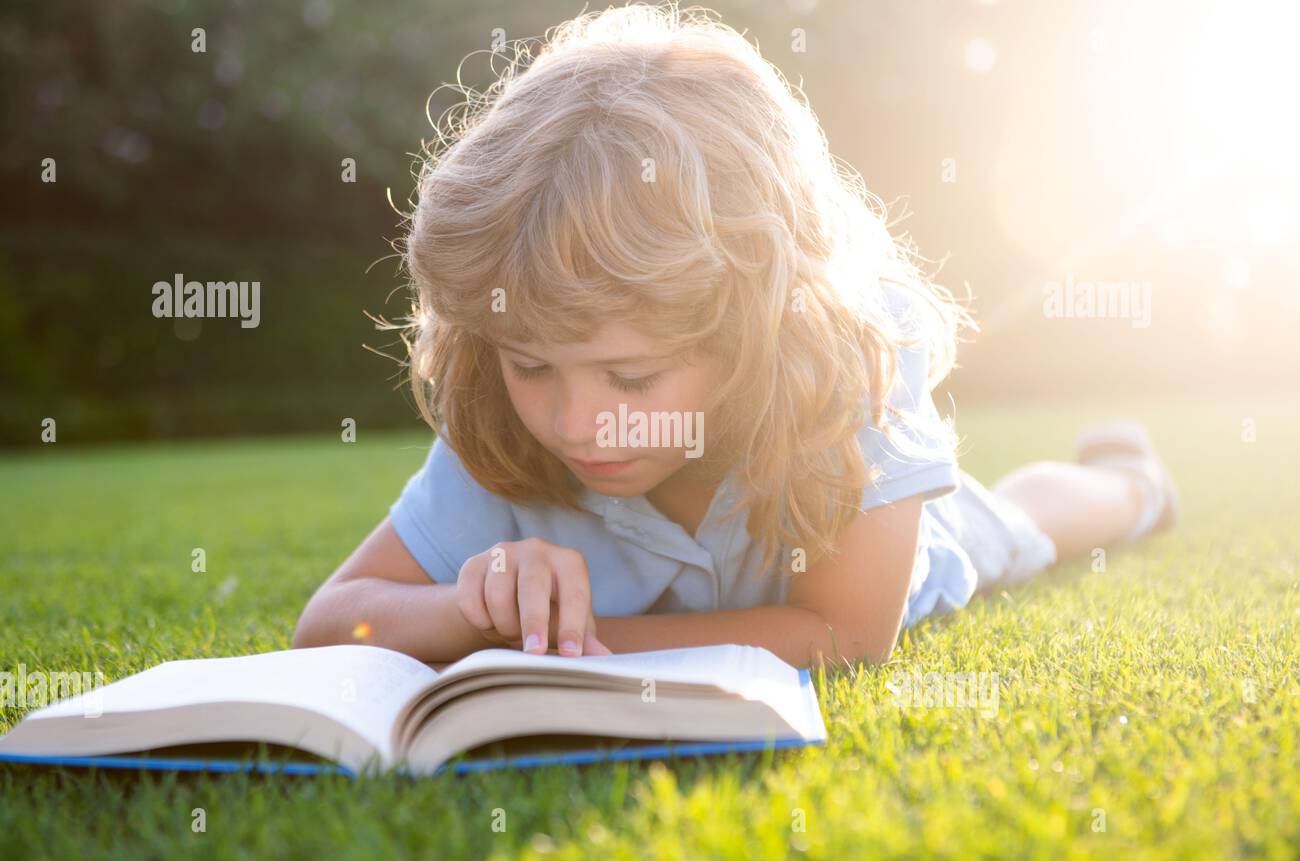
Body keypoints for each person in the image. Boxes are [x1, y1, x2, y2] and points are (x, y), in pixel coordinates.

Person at [291, 3, 1179, 670]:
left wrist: (559, 643)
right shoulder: (509, 412)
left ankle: (1130, 482)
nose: (573, 422)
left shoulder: (846, 373)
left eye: (631, 378)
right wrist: (469, 613)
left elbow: (843, 633)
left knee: (1017, 527)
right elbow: (330, 624)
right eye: (532, 366)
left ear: (756, 322)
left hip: (914, 551)